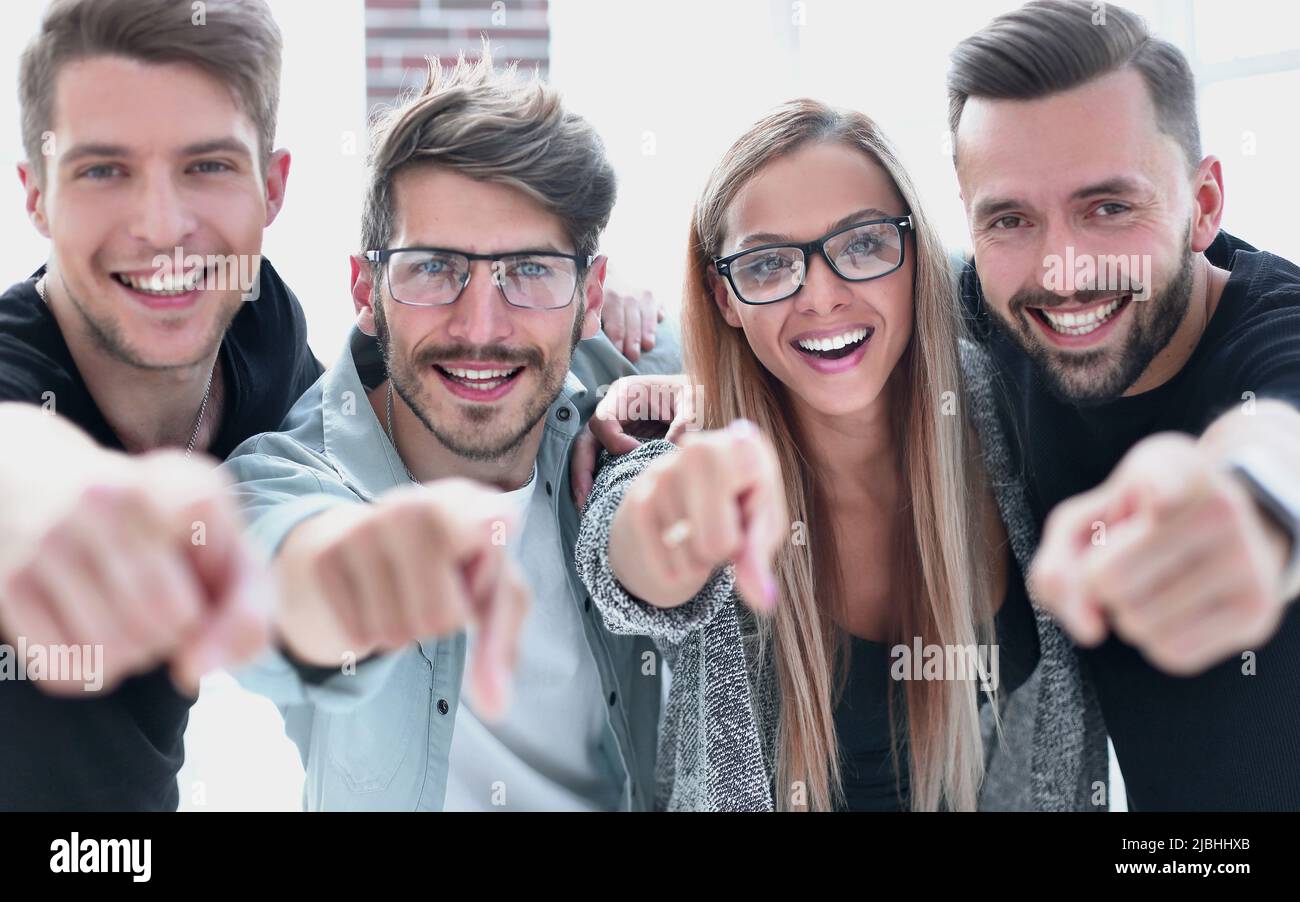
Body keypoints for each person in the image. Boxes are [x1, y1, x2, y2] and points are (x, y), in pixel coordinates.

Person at [0, 0, 665, 812]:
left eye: (206, 165)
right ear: (34, 193)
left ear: (271, 188)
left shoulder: (256, 323)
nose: (162, 225)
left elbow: (397, 374)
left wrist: (594, 314)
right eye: (103, 169)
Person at [574, 99, 1103, 811]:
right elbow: (630, 556)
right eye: (766, 264)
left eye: (861, 245)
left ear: (914, 253)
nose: (822, 296)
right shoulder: (688, 451)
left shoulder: (1011, 400)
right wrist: (672, 520)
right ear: (724, 297)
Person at [221, 50, 680, 811]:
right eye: (435, 267)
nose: (481, 326)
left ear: (589, 291)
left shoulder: (635, 392)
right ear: (367, 291)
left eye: (529, 269)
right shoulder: (289, 478)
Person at [948, 0, 1300, 810]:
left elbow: (1280, 430)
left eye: (1109, 208)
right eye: (1011, 218)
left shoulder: (1274, 333)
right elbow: (857, 314)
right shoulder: (999, 306)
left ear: (1204, 204)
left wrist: (1249, 504)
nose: (1063, 272)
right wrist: (657, 364)